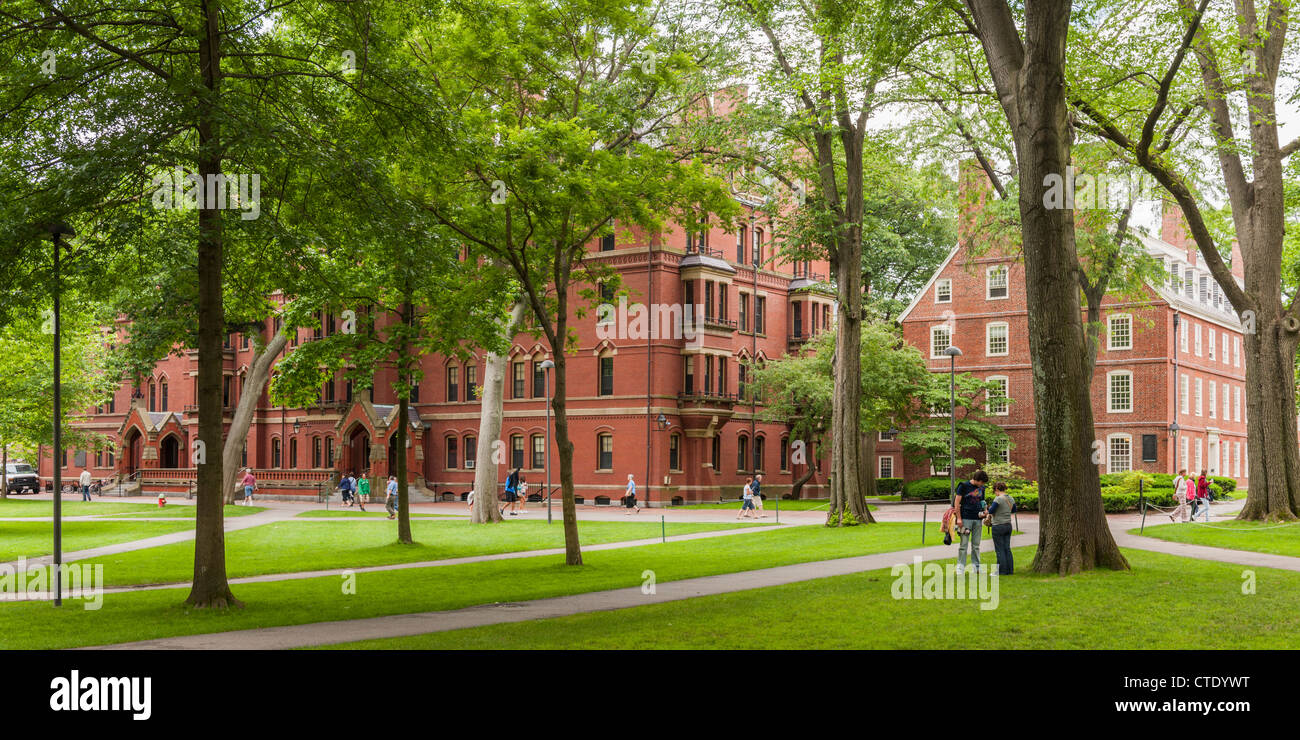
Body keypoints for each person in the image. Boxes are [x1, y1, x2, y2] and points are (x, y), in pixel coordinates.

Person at [954, 470, 989, 574]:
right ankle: (960, 567)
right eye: (982, 482)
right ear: (977, 480)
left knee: (976, 545)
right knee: (963, 545)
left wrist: (985, 511)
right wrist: (959, 519)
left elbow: (982, 502)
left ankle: (977, 567)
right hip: (965, 519)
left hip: (978, 519)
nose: (982, 485)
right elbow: (957, 503)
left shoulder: (981, 488)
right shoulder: (963, 486)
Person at [986, 482, 1016, 575]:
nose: (995, 493)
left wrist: (988, 509)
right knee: (1007, 548)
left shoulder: (998, 499)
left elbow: (991, 511)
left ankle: (1001, 571)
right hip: (1008, 525)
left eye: (994, 491)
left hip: (998, 525)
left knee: (999, 549)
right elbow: (1014, 510)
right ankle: (1010, 570)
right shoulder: (1010, 498)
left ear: (997, 489)